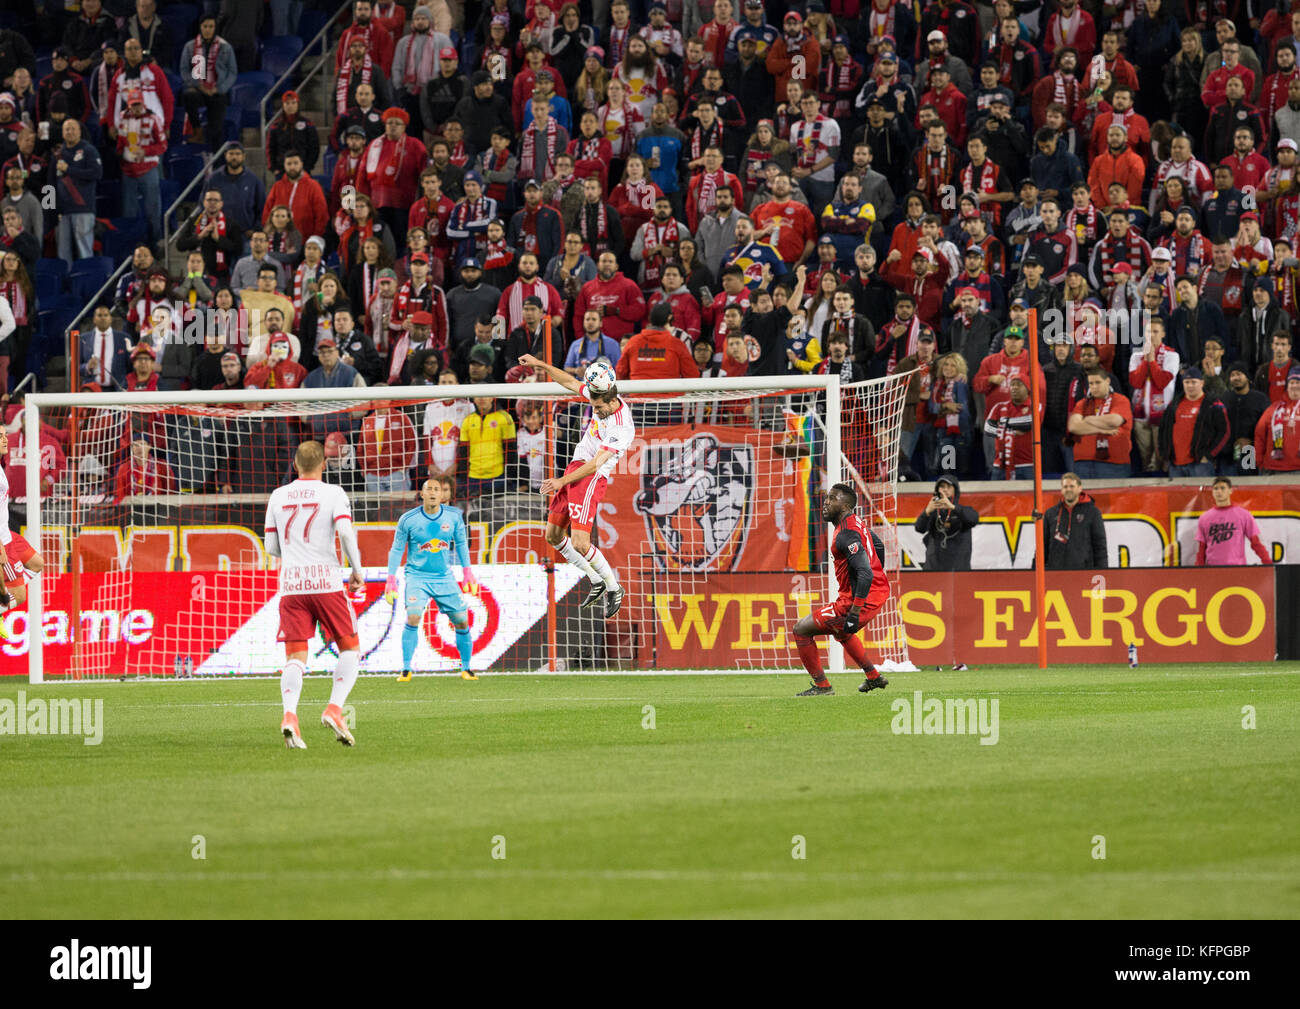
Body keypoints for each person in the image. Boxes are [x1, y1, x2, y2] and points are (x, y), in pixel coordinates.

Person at [264, 441, 365, 749]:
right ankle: (335, 709)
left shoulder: (278, 495)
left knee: (295, 658)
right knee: (350, 649)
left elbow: (270, 548)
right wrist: (356, 570)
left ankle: (290, 718)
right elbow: (346, 532)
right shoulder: (333, 492)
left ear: (295, 465)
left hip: (292, 586)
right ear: (324, 464)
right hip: (326, 583)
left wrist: (294, 555)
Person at [520, 351, 633, 620]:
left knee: (582, 542)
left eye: (598, 408)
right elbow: (569, 382)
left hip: (590, 477)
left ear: (612, 397)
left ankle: (614, 587)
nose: (596, 411)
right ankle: (595, 579)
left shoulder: (622, 427)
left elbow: (595, 465)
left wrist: (560, 480)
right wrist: (540, 364)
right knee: (553, 536)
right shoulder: (600, 394)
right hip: (574, 469)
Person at [789, 482, 889, 697]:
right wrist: (878, 572)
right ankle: (874, 677)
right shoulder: (856, 523)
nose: (825, 503)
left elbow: (865, 573)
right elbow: (878, 545)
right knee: (841, 632)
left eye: (832, 499)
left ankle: (822, 687)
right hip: (875, 592)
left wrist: (854, 611)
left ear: (844, 506)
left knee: (800, 629)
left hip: (859, 599)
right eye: (826, 498)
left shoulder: (845, 534)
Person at [384, 475, 480, 681]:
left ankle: (466, 667)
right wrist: (390, 578)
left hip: (444, 577)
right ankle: (406, 669)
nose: (434, 493)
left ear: (443, 495)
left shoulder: (454, 516)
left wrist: (468, 572)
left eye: (438, 489)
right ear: (422, 494)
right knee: (413, 616)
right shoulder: (408, 519)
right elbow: (396, 549)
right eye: (430, 489)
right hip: (417, 576)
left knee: (462, 621)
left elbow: (462, 544)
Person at [0, 426, 46, 610]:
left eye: (4, 435)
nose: (4, 440)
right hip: (2, 540)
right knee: (19, 597)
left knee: (37, 563)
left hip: (7, 532)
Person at [1157, 367, 1230, 478]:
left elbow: (1224, 432)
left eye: (1193, 382)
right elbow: (1163, 429)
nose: (1190, 385)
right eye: (1187, 382)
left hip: (1200, 464)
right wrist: (1164, 454)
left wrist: (1209, 455)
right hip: (1175, 464)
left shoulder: (1213, 404)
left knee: (1203, 495)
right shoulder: (1174, 404)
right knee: (1177, 495)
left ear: (1202, 383)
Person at [1068, 368, 1133, 479]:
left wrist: (1087, 420)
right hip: (1083, 462)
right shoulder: (1082, 403)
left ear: (1107, 381)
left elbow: (1113, 421)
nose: (1093, 387)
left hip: (1113, 463)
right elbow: (1073, 427)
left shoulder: (1120, 400)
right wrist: (1101, 429)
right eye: (1091, 383)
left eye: (1097, 382)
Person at [1195, 476, 1273, 566]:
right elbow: (1202, 549)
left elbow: (1256, 543)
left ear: (1230, 491)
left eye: (1222, 488)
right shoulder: (1204, 518)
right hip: (1213, 569)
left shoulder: (1244, 515)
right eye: (1216, 488)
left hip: (1237, 568)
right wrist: (1198, 570)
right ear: (1212, 492)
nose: (1219, 491)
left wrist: (1268, 563)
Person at [1042, 472, 1108, 570]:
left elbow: (1100, 545)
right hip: (1055, 573)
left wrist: (1103, 571)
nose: (1068, 489)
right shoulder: (1050, 513)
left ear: (1080, 488)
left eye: (1072, 486)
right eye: (1065, 486)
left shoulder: (1093, 512)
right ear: (1061, 490)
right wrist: (1035, 571)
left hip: (1083, 572)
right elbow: (1042, 546)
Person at [914, 476, 979, 572]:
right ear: (937, 490)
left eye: (949, 487)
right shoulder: (932, 511)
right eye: (942, 486)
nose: (945, 489)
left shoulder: (962, 510)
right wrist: (927, 512)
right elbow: (919, 528)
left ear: (955, 490)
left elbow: (973, 519)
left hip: (958, 568)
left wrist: (952, 507)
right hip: (934, 568)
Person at [1254, 365, 1300, 472]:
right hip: (1273, 468)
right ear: (1287, 386)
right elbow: (1259, 434)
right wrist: (1259, 461)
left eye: (1298, 382)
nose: (1295, 386)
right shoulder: (1274, 408)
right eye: (1292, 383)